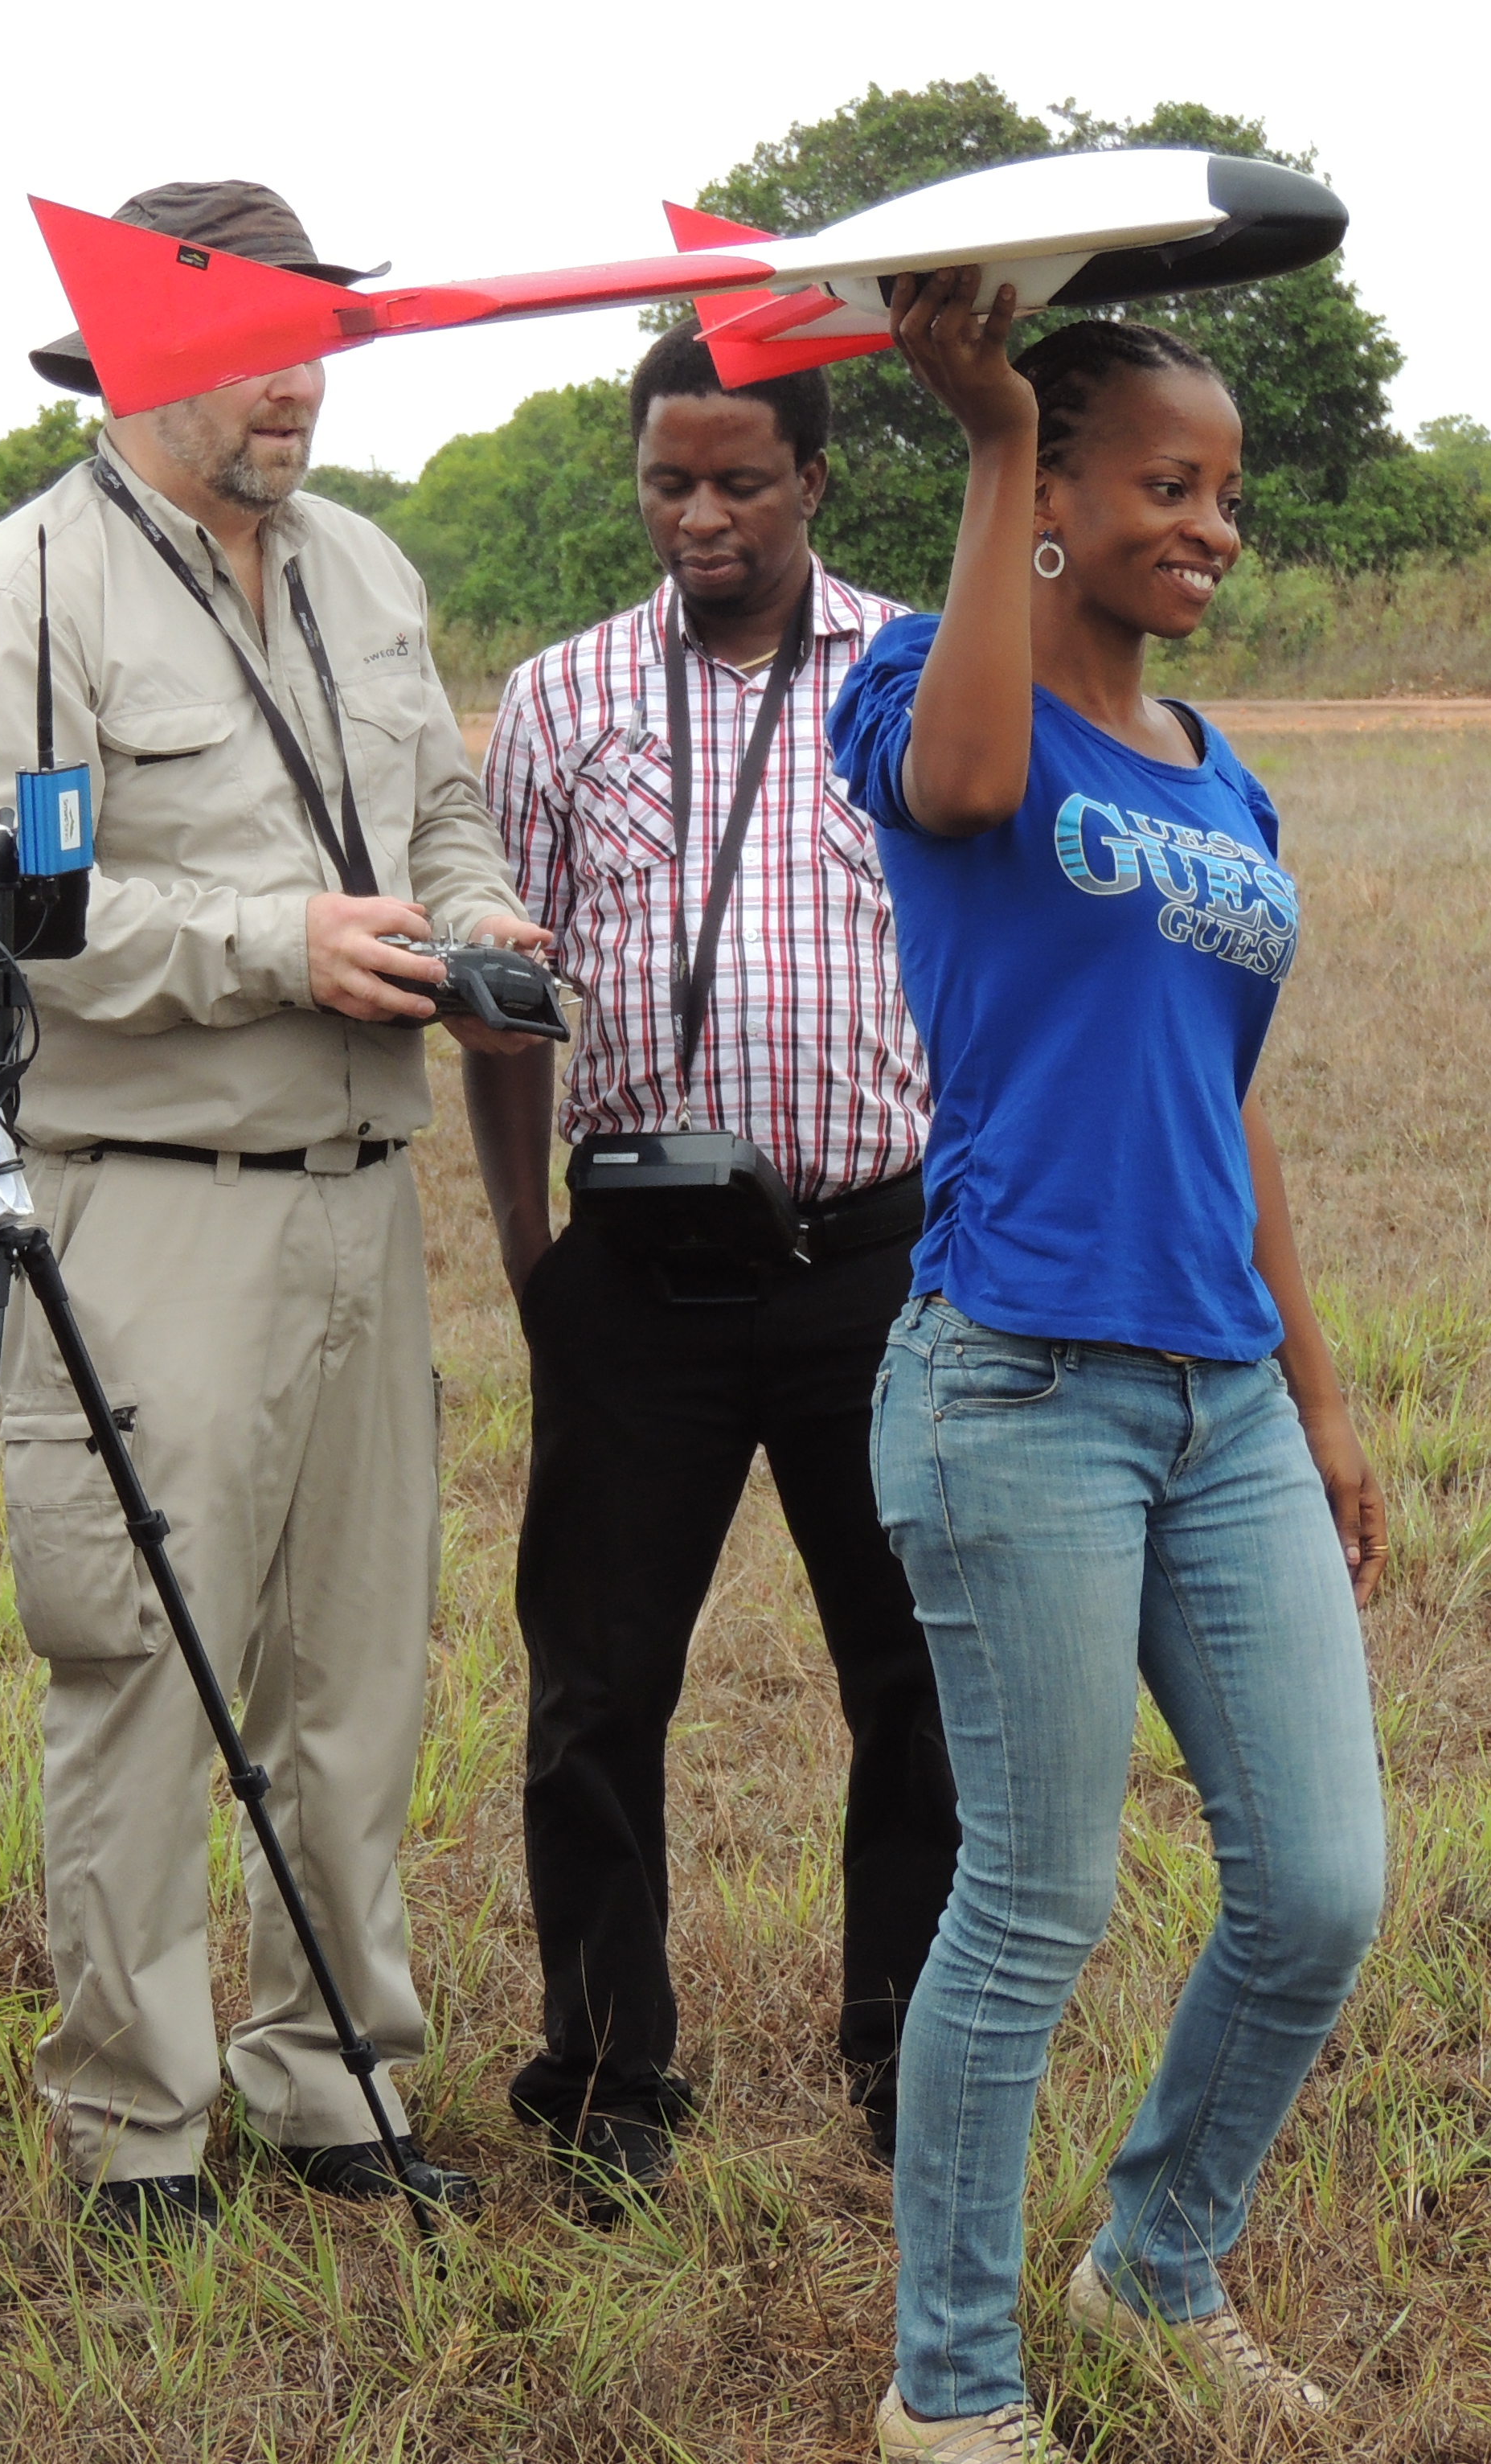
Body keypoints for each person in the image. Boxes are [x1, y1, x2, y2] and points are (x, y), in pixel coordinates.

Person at [0, 178, 549, 2232]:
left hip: (362, 1193)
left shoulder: (364, 567)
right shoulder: (24, 595)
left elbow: (440, 806)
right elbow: (6, 906)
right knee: (140, 1662)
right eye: (259, 346)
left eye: (316, 343)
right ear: (134, 355)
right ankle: (140, 2126)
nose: (301, 386)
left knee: (355, 1671)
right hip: (147, 1205)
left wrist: (475, 920)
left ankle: (336, 2077)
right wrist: (276, 942)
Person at [825, 281, 1387, 2464]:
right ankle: (950, 2385)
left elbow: (1225, 1102)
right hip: (1018, 1388)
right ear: (1052, 489)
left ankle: (1155, 2261)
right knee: (1037, 1899)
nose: (1213, 526)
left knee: (1318, 1885)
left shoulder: (1222, 776)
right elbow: (967, 783)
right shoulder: (927, 681)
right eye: (1168, 483)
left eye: (1227, 492)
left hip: (1220, 1397)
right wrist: (980, 435)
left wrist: (1318, 1395)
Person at [465, 327, 954, 2208]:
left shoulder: (914, 671)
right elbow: (503, 1000)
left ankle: (909, 2053)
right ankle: (606, 2077)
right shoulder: (561, 696)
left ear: (814, 479)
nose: (701, 516)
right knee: (595, 1691)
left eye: (741, 481)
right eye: (669, 481)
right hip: (633, 1275)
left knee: (913, 1676)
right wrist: (532, 1256)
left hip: (873, 1261)